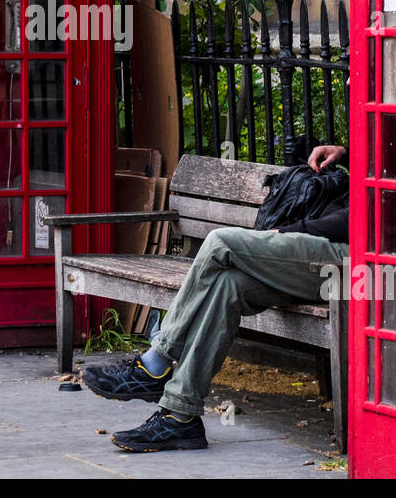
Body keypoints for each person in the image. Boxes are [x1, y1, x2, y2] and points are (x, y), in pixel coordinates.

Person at [81, 144, 350, 452]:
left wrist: (286, 232)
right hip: (326, 249)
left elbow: (366, 216)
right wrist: (344, 152)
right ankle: (180, 417)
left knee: (219, 241)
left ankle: (156, 361)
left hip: (355, 258)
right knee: (227, 285)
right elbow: (377, 171)